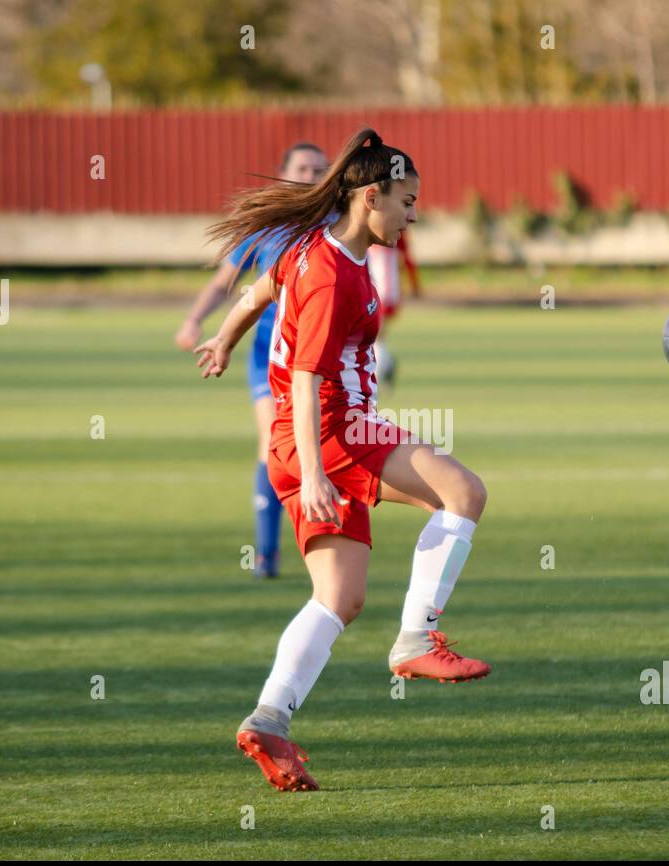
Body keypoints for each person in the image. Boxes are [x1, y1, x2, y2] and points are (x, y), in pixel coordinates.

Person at [194, 128, 490, 792]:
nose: (413, 214)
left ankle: (269, 719)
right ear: (369, 196)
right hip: (334, 432)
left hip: (302, 445)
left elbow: (257, 293)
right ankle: (416, 639)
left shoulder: (307, 250)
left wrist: (221, 338)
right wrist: (322, 470)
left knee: (339, 597)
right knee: (464, 492)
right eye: (407, 201)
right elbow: (304, 379)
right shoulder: (331, 274)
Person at [176, 142, 329, 579]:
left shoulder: (336, 224)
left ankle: (328, 545)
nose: (312, 175)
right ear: (282, 173)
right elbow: (227, 282)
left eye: (320, 169)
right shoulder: (267, 228)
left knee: (322, 443)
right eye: (302, 167)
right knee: (273, 443)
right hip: (270, 354)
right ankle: (266, 552)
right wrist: (194, 320)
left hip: (318, 354)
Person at [366, 230, 420, 386]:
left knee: (377, 335)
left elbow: (406, 256)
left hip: (384, 288)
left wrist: (414, 283)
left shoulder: (394, 228)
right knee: (377, 336)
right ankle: (386, 367)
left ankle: (381, 372)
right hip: (380, 287)